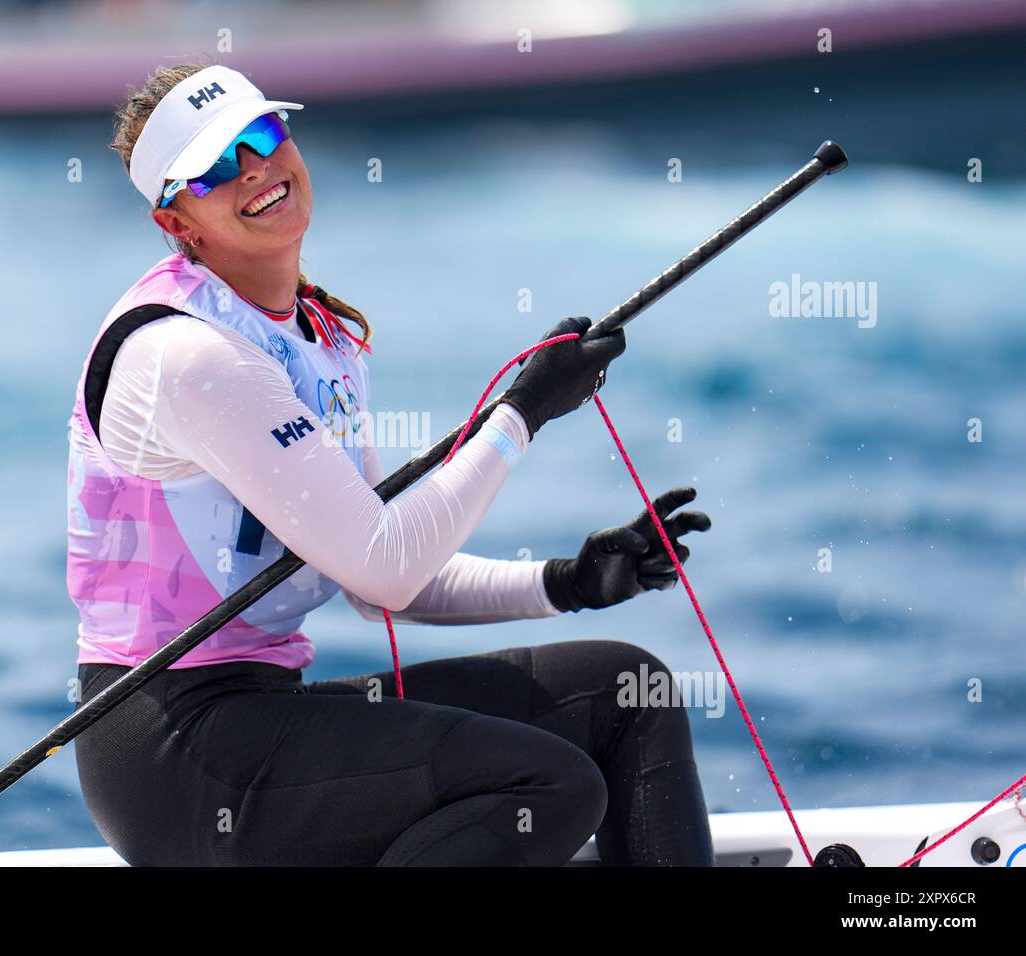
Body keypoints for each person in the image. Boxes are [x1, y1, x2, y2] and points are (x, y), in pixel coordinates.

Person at [68, 63, 716, 866]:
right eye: (216, 168)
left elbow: (377, 577)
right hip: (176, 753)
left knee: (628, 694)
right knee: (553, 784)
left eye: (263, 135)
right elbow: (387, 569)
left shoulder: (319, 335)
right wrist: (522, 415)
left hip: (262, 714)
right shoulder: (187, 354)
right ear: (178, 220)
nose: (256, 169)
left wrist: (567, 584)